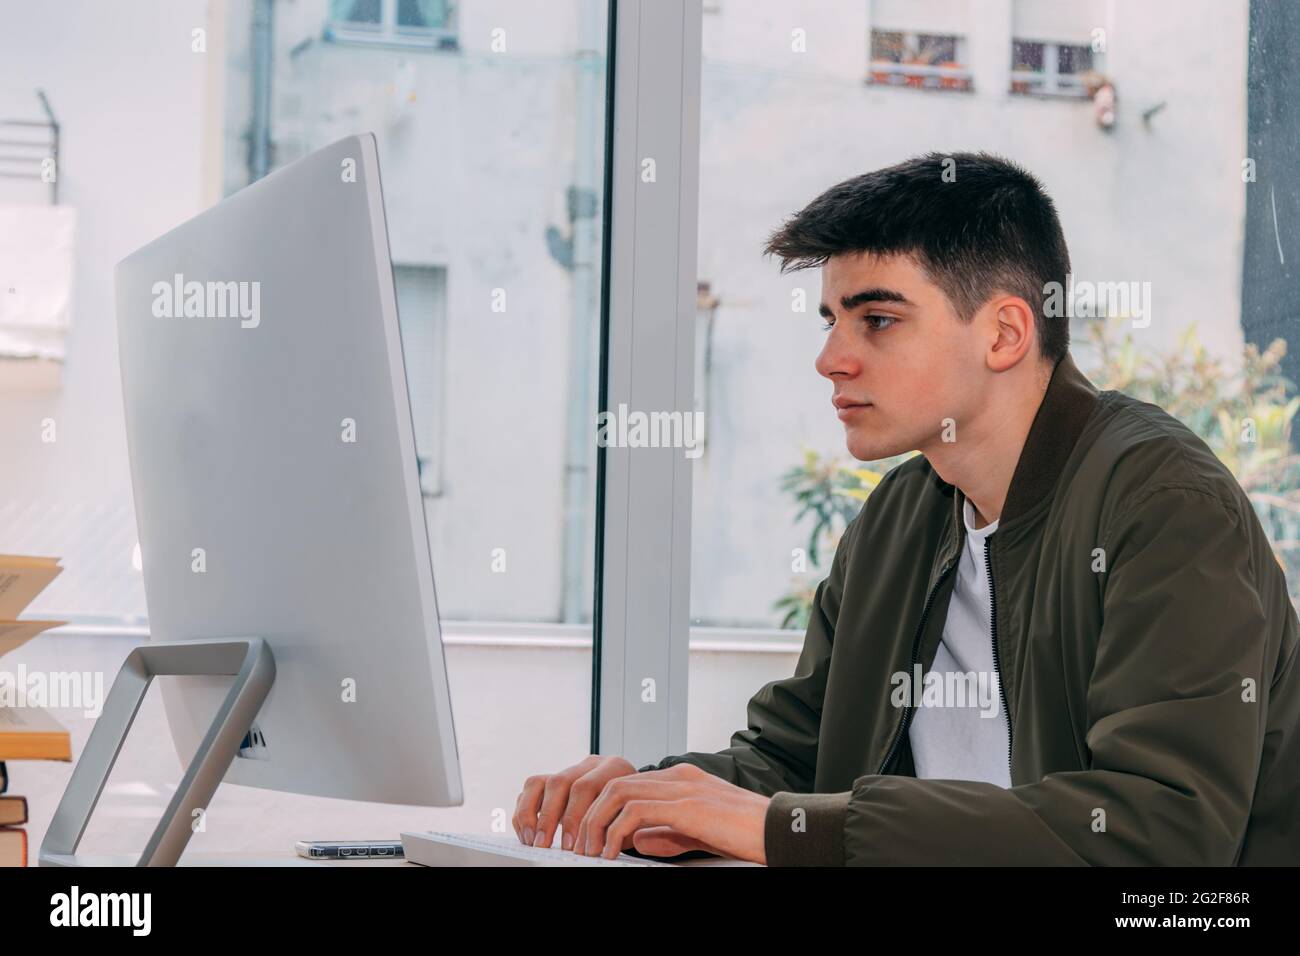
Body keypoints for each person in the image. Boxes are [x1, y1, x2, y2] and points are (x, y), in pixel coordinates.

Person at [513, 152, 1300, 865]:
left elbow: (1158, 832)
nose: (831, 359)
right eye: (831, 321)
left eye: (877, 320)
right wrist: (647, 799)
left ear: (1004, 333)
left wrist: (781, 830)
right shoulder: (899, 519)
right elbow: (795, 760)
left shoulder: (1165, 507)